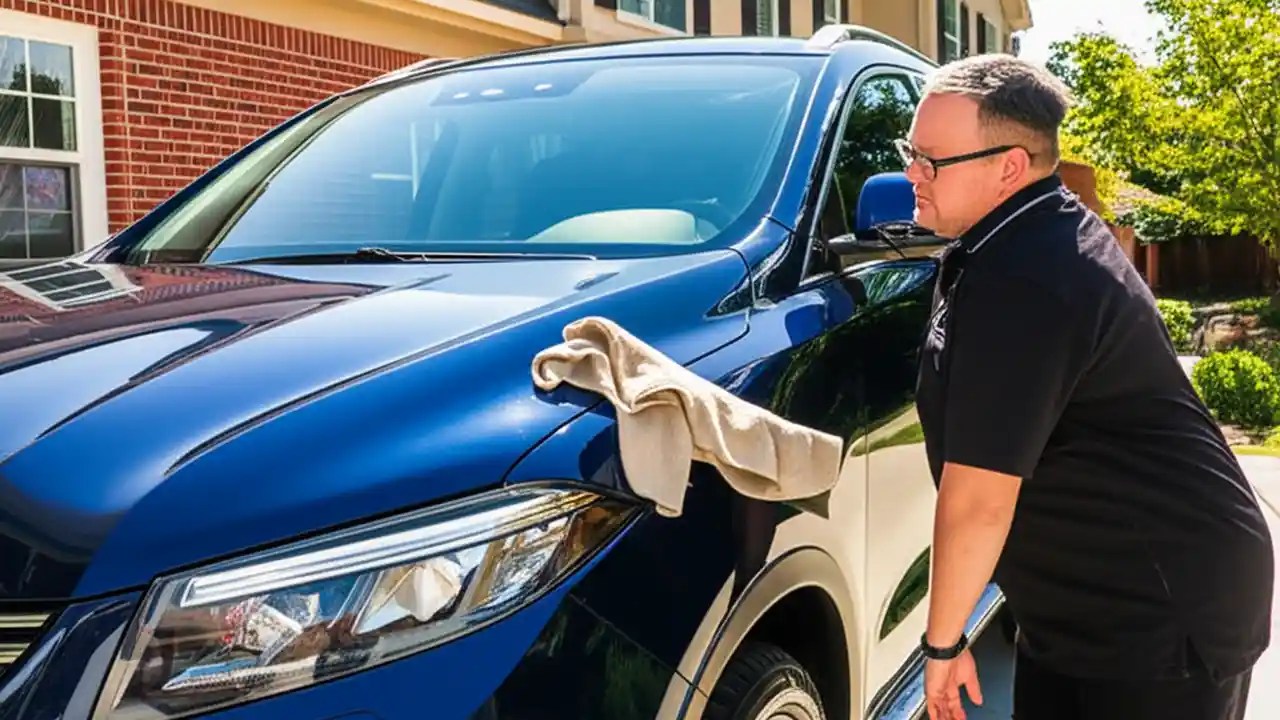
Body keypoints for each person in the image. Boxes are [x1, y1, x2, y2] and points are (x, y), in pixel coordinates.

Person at [905, 54, 1274, 720]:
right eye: (911, 152)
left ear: (1009, 166)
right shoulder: (1023, 237)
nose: (911, 174)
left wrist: (942, 641)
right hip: (1092, 606)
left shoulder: (1029, 278)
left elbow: (981, 498)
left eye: (931, 160)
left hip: (1156, 614)